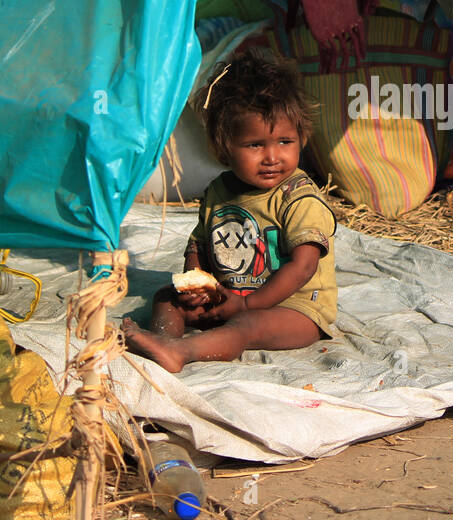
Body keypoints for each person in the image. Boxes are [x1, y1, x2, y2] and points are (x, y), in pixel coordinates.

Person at [122, 50, 336, 372]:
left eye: (285, 142)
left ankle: (182, 351)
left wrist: (248, 304)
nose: (271, 156)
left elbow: (303, 267)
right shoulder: (219, 192)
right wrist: (194, 285)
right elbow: (199, 245)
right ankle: (161, 341)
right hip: (232, 297)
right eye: (255, 145)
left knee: (245, 326)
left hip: (297, 309)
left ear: (301, 138)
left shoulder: (298, 198)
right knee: (166, 298)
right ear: (224, 146)